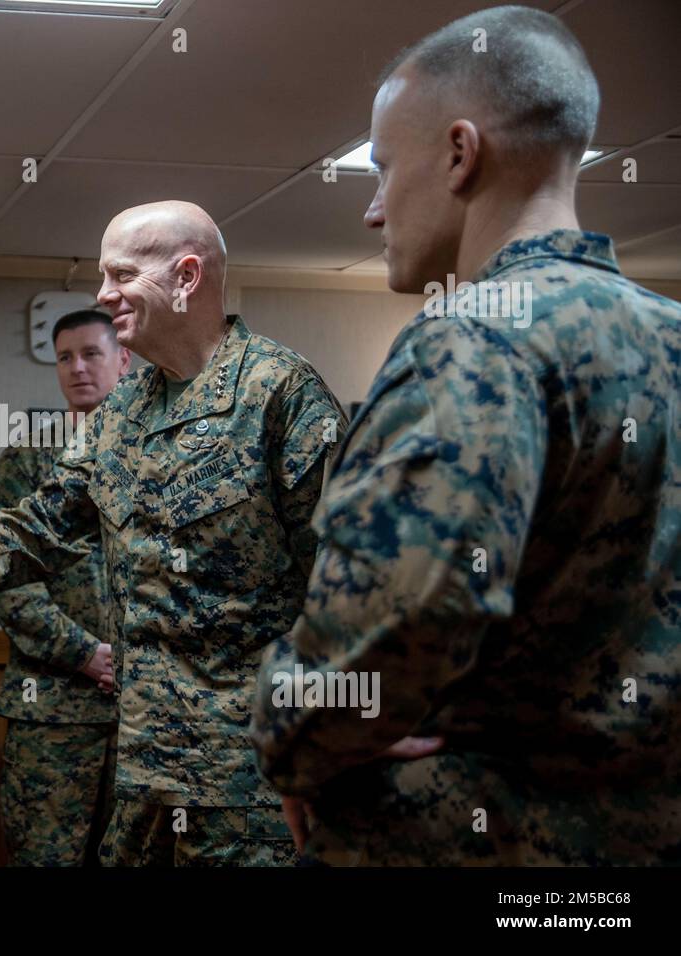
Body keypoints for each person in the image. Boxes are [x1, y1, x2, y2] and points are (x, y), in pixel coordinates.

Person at [250, 5, 681, 865]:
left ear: (459, 153)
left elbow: (412, 606)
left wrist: (295, 738)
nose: (374, 211)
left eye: (381, 169)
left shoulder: (472, 340)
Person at [0, 200, 346, 865]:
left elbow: (346, 588)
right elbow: (43, 526)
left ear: (185, 277)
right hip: (144, 772)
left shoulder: (280, 395)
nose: (101, 293)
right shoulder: (124, 409)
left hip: (249, 783)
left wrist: (331, 750)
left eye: (120, 274)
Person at [0, 309, 129, 866]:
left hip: (148, 711)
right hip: (53, 710)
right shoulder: (27, 461)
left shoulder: (156, 458)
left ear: (124, 359)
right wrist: (84, 653)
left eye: (91, 353)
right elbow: (4, 575)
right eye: (64, 357)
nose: (77, 368)